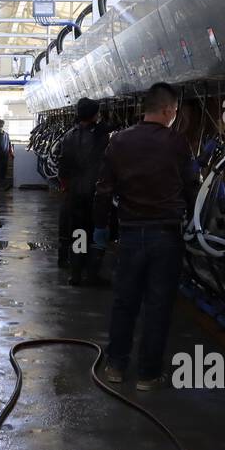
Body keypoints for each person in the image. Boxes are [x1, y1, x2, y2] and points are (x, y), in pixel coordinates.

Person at [93, 82, 199, 391]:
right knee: (158, 305)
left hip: (129, 233)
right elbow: (191, 187)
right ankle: (148, 374)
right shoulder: (178, 143)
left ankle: (115, 365)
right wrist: (195, 220)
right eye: (175, 112)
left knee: (125, 301)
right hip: (166, 235)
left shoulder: (119, 142)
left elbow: (103, 191)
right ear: (168, 110)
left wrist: (101, 228)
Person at [56, 98, 110, 286]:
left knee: (78, 233)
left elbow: (63, 166)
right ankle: (92, 274)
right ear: (94, 115)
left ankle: (75, 274)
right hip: (96, 193)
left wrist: (66, 187)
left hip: (75, 193)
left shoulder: (69, 136)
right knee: (97, 233)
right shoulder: (101, 135)